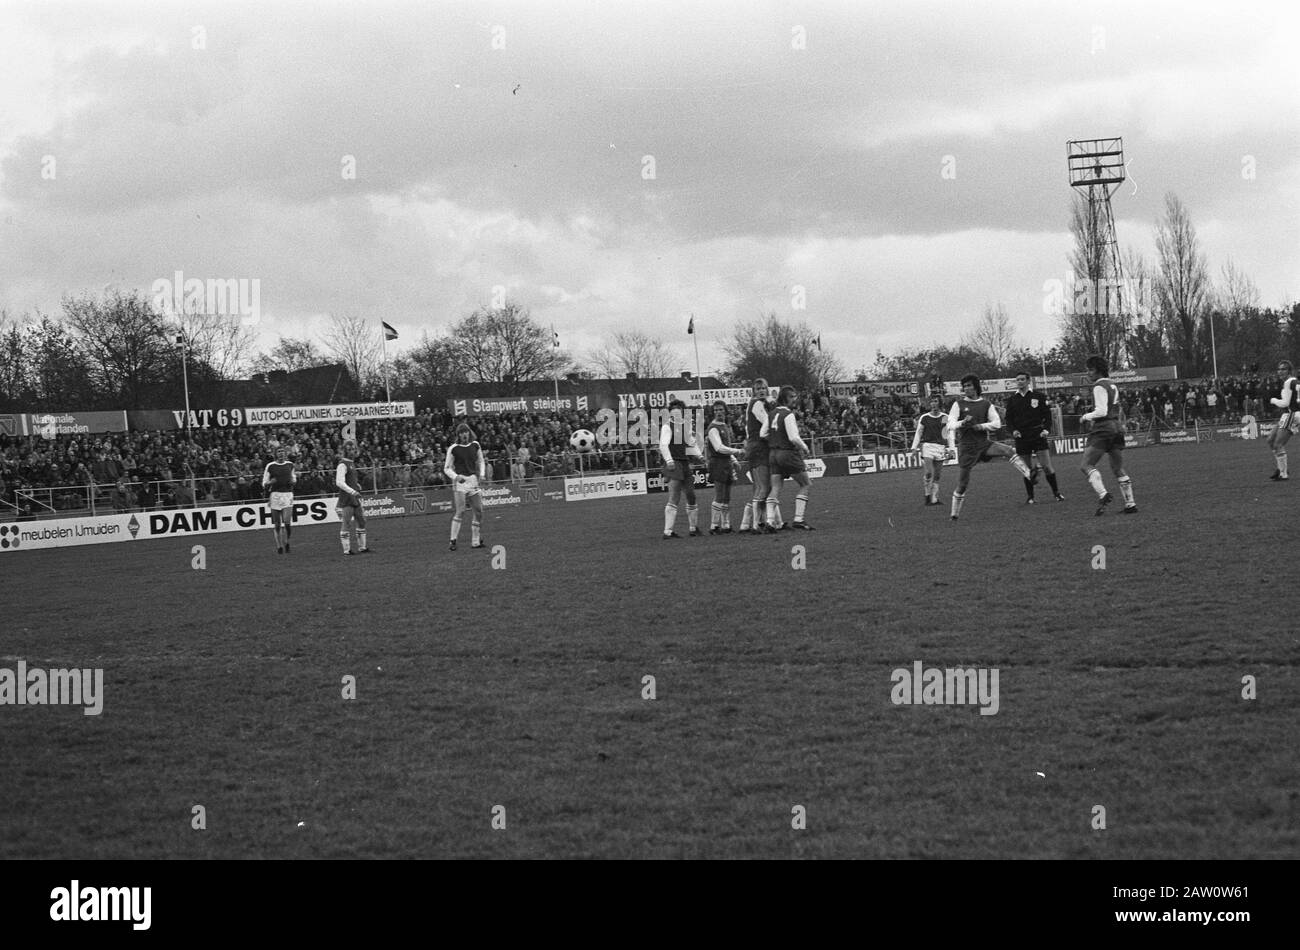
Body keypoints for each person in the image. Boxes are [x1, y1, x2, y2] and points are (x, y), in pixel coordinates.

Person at [946, 374, 1034, 521]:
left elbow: (997, 423)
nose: (966, 388)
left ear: (975, 386)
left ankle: (1030, 475)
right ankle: (954, 515)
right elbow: (950, 424)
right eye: (964, 386)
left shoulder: (986, 404)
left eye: (969, 385)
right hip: (967, 448)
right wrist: (962, 423)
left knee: (1008, 450)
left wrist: (981, 426)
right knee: (962, 485)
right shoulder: (958, 404)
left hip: (983, 444)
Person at [1079, 355, 1137, 515]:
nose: (1088, 373)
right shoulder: (1112, 384)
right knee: (1117, 468)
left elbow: (1102, 411)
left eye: (1090, 369)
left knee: (1086, 465)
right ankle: (1130, 504)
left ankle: (1103, 494)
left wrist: (1085, 417)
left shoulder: (1099, 386)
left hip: (1104, 428)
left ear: (1097, 370)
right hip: (1116, 427)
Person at [1004, 371, 1064, 504]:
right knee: (1026, 469)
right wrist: (1013, 431)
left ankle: (1056, 493)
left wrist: (1046, 430)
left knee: (1047, 466)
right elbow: (1008, 419)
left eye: (1022, 379)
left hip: (1037, 434)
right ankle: (1030, 497)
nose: (1019, 382)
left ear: (1028, 381)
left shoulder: (1039, 396)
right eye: (1017, 380)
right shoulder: (1012, 399)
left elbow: (1047, 416)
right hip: (1021, 437)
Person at [765, 385, 815, 531]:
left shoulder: (772, 413)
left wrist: (775, 439)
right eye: (792, 397)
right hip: (787, 453)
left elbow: (763, 433)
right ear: (785, 398)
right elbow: (793, 437)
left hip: (773, 454)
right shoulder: (788, 415)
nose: (795, 399)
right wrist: (805, 447)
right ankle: (798, 519)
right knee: (806, 484)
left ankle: (769, 521)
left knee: (775, 487)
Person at [660, 399, 704, 538]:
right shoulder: (667, 426)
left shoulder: (685, 426)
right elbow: (663, 445)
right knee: (674, 496)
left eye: (679, 408)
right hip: (675, 463)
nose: (676, 410)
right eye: (674, 408)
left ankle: (693, 529)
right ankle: (668, 531)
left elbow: (691, 442)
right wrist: (669, 460)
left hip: (685, 463)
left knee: (691, 495)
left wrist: (699, 456)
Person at [737, 378, 773, 534]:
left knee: (762, 487)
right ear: (754, 390)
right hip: (759, 448)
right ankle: (756, 524)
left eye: (764, 388)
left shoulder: (753, 404)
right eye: (758, 388)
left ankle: (759, 522)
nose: (762, 391)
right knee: (764, 487)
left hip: (755, 447)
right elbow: (767, 423)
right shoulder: (757, 404)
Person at [704, 400, 745, 534]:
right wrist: (737, 452)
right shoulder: (713, 428)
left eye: (721, 409)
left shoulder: (724, 426)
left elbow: (726, 445)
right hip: (718, 463)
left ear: (725, 411)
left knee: (727, 496)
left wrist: (733, 460)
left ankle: (726, 525)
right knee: (719, 494)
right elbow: (719, 448)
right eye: (716, 410)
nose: (718, 412)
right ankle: (714, 526)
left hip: (726, 462)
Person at [444, 423, 486, 550]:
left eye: (466, 432)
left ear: (469, 433)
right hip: (460, 482)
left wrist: (482, 475)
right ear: (458, 435)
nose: (464, 434)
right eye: (461, 433)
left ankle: (475, 541)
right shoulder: (453, 448)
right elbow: (446, 468)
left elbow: (481, 461)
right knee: (461, 511)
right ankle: (453, 541)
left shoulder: (475, 445)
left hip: (473, 481)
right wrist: (456, 477)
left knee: (479, 511)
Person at [910, 394, 952, 506]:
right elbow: (918, 433)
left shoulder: (945, 417)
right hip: (927, 446)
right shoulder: (924, 417)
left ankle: (934, 499)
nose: (933, 404)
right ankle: (927, 495)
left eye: (936, 401)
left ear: (940, 403)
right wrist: (914, 448)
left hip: (940, 447)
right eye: (932, 401)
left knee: (937, 475)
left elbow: (949, 434)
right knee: (928, 472)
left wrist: (951, 448)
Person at [335, 440, 372, 554]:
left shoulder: (351, 463)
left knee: (362, 521)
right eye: (349, 449)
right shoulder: (342, 464)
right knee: (346, 523)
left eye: (353, 449)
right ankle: (347, 550)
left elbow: (349, 480)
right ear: (345, 451)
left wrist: (356, 485)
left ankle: (362, 547)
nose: (352, 451)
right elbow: (339, 482)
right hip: (347, 497)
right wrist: (352, 491)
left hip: (353, 496)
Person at [262, 443, 297, 554]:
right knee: (277, 524)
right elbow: (264, 483)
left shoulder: (290, 465)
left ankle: (287, 541)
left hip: (287, 495)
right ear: (275, 454)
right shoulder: (270, 466)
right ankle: (279, 546)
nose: (281, 453)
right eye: (279, 451)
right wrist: (269, 482)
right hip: (275, 495)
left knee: (287, 522)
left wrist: (293, 481)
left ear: (285, 453)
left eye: (282, 451)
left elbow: (294, 478)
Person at [1267, 359, 1299, 481]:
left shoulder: (1291, 382)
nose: (1280, 371)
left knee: (1278, 444)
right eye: (1279, 369)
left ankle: (1283, 473)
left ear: (1289, 371)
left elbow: (1285, 403)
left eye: (1283, 369)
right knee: (1270, 440)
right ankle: (1281, 468)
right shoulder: (1288, 382)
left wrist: (1273, 400)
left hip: (1292, 415)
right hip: (1286, 414)